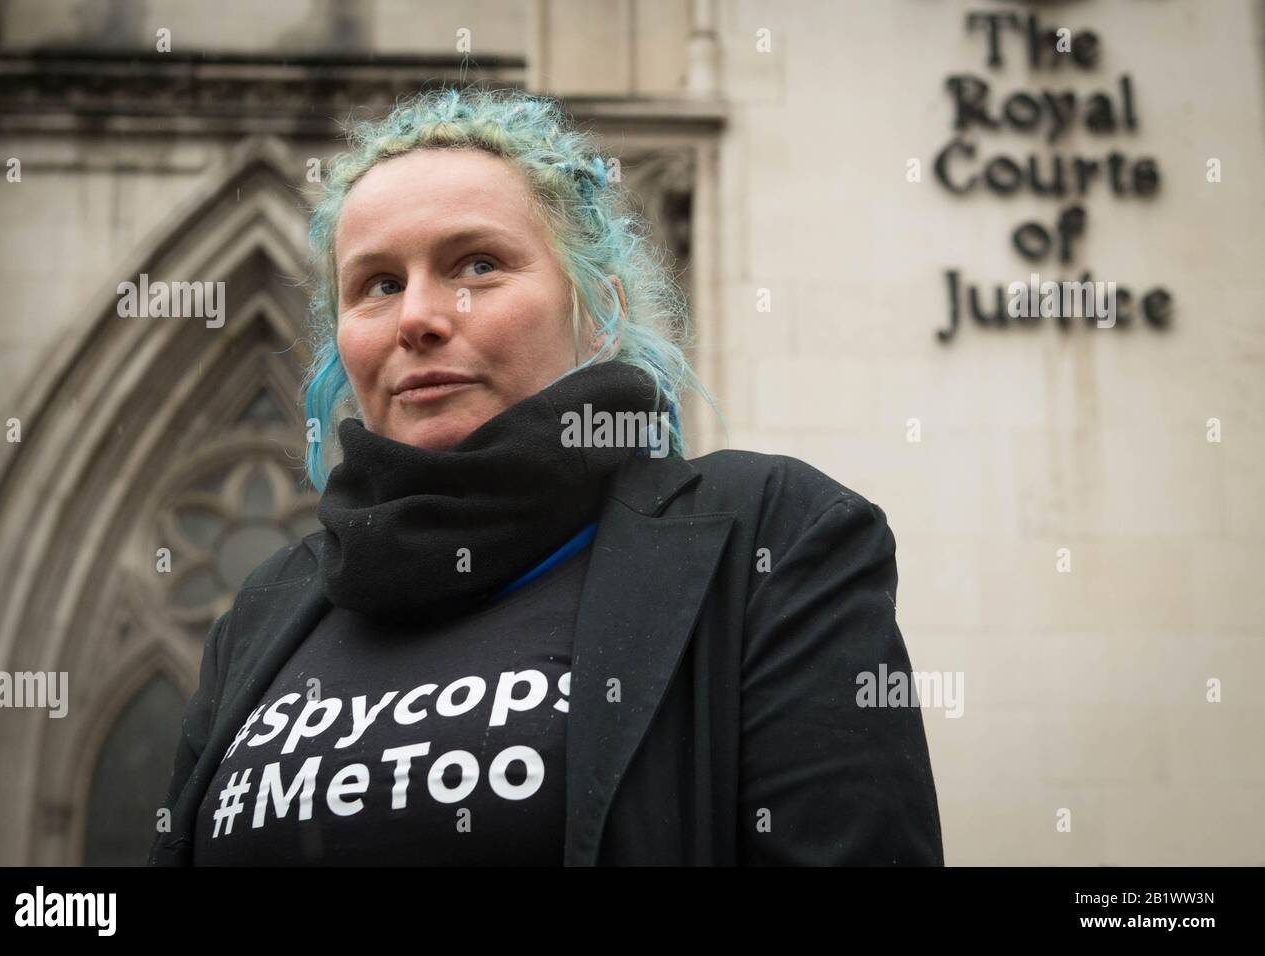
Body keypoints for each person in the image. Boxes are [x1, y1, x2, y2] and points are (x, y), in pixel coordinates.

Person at [147, 85, 944, 866]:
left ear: (596, 311)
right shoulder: (267, 609)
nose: (418, 317)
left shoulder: (769, 538)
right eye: (379, 284)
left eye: (478, 265)